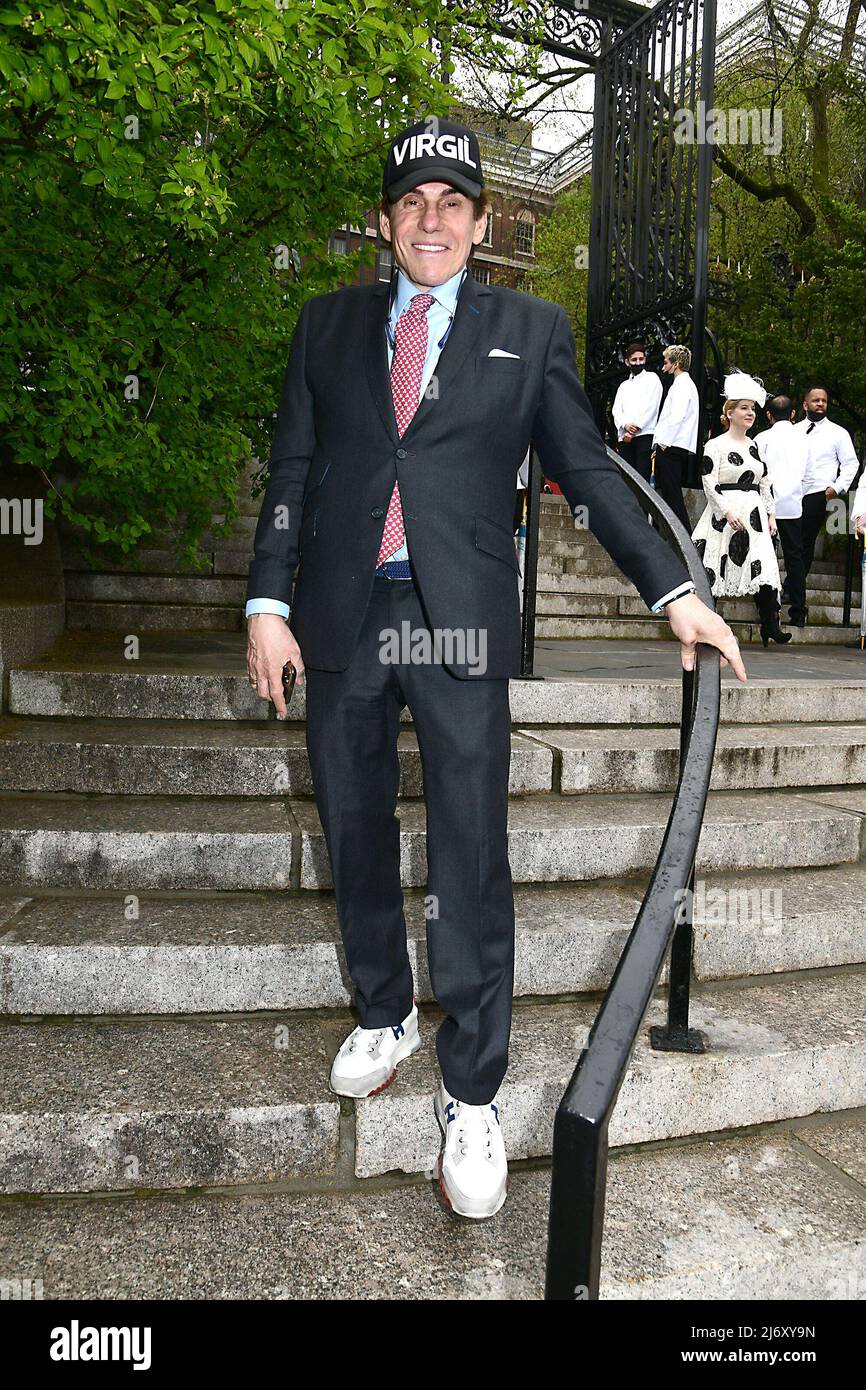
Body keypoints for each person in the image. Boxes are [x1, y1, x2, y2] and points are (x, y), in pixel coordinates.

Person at [244, 115, 747, 1222]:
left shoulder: (530, 326)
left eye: (452, 204)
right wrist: (266, 601)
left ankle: (470, 1092)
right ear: (386, 223)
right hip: (340, 615)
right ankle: (382, 1006)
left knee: (471, 846)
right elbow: (292, 464)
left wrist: (676, 591)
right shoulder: (325, 327)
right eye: (411, 202)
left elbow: (586, 466)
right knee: (353, 821)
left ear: (476, 226)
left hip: (459, 620)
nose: (432, 220)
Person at [692, 372, 790, 647]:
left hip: (755, 513)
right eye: (744, 408)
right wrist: (725, 512)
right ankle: (706, 626)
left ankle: (770, 624)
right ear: (730, 412)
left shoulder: (754, 445)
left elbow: (765, 480)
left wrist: (771, 514)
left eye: (753, 409)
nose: (750, 414)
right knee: (715, 565)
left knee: (765, 567)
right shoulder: (715, 445)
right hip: (726, 514)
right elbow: (709, 482)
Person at [793, 386, 860, 589]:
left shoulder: (838, 433)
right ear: (806, 405)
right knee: (792, 541)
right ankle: (789, 585)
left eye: (823, 401)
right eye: (816, 400)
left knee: (806, 540)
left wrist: (836, 488)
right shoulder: (793, 431)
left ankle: (794, 587)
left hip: (819, 493)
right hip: (792, 493)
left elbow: (851, 463)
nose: (820, 404)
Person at [755, 395, 809, 627]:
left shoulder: (761, 438)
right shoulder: (804, 439)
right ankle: (798, 611)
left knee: (765, 556)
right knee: (794, 558)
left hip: (766, 504)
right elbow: (809, 473)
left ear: (769, 415)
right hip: (793, 503)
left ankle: (768, 609)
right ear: (793, 413)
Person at [652, 344, 699, 533]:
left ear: (676, 364)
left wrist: (661, 443)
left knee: (672, 496)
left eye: (666, 362)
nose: (663, 366)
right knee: (667, 494)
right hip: (672, 445)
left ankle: (683, 537)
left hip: (671, 446)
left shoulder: (682, 386)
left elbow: (676, 417)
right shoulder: (683, 385)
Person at [612, 341, 662, 485]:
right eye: (634, 360)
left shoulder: (652, 379)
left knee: (641, 479)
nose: (638, 362)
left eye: (641, 359)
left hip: (644, 435)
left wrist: (635, 428)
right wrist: (625, 426)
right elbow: (616, 410)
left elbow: (652, 407)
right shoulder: (623, 386)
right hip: (625, 437)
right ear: (627, 362)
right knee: (626, 480)